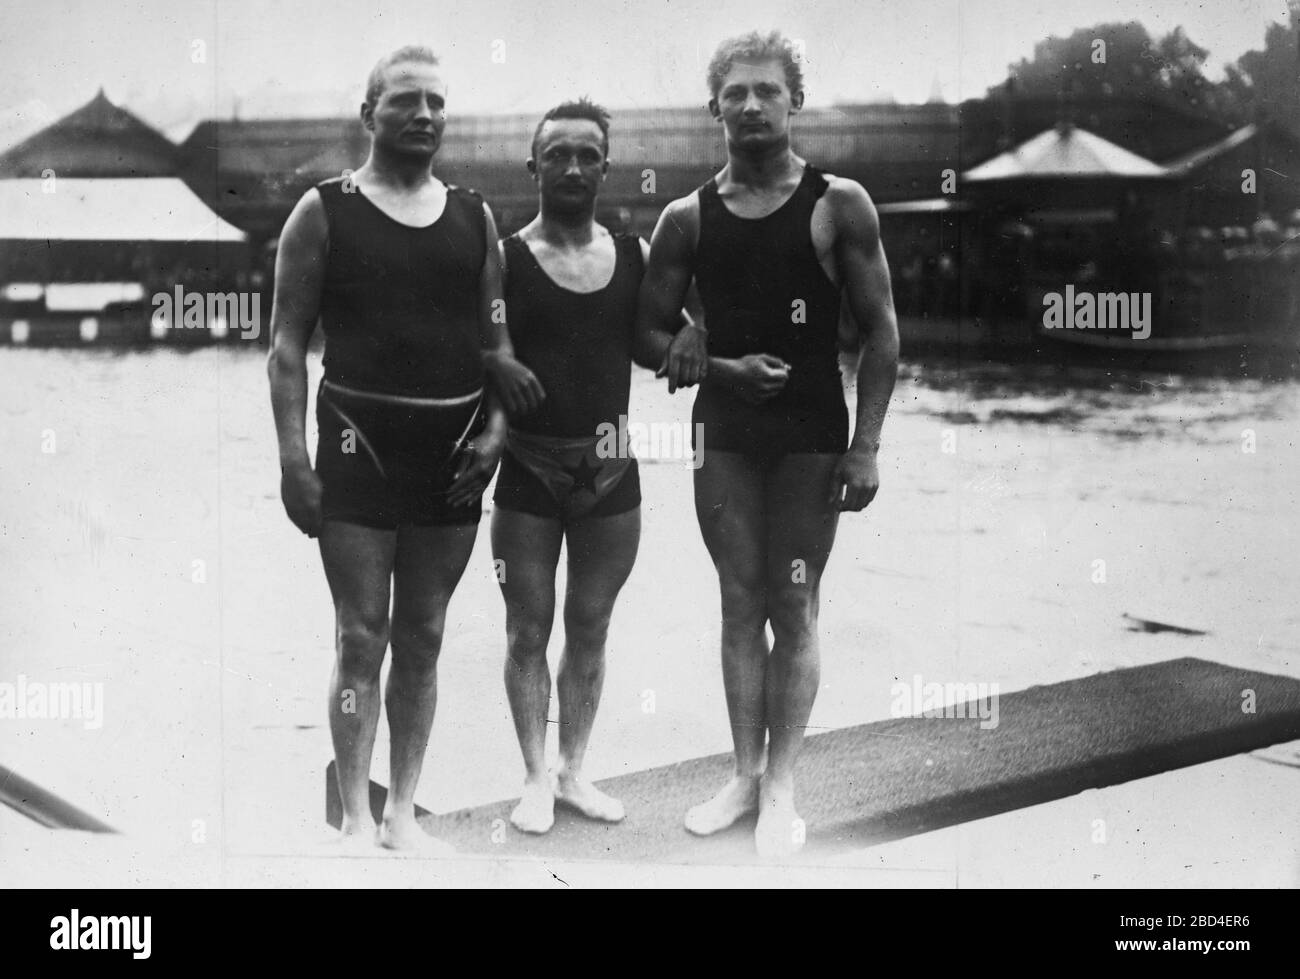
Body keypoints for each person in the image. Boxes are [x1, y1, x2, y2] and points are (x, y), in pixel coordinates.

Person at [266, 45, 542, 853]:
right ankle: (354, 816)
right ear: (369, 115)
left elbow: (498, 341)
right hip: (358, 444)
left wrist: (497, 430)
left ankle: (400, 814)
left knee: (423, 636)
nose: (424, 115)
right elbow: (285, 346)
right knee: (361, 635)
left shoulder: (474, 215)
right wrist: (293, 461)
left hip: (452, 453)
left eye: (436, 103)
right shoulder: (324, 210)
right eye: (406, 101)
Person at [635, 30, 899, 857]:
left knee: (794, 601)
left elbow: (884, 333)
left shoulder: (839, 204)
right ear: (714, 106)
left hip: (813, 430)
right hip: (726, 430)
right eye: (736, 92)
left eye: (768, 90)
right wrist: (707, 357)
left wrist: (868, 445)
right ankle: (745, 774)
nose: (752, 104)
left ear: (795, 101)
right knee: (739, 601)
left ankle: (783, 783)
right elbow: (646, 330)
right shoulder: (686, 218)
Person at [493, 99, 685, 833]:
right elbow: (473, 341)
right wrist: (492, 362)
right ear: (534, 164)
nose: (572, 166)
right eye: (558, 153)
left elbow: (658, 335)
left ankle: (573, 767)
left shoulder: (634, 256)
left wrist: (692, 338)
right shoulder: (505, 256)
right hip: (526, 473)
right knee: (525, 627)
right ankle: (535, 777)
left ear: (607, 166)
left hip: (611, 472)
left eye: (587, 154)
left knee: (592, 623)